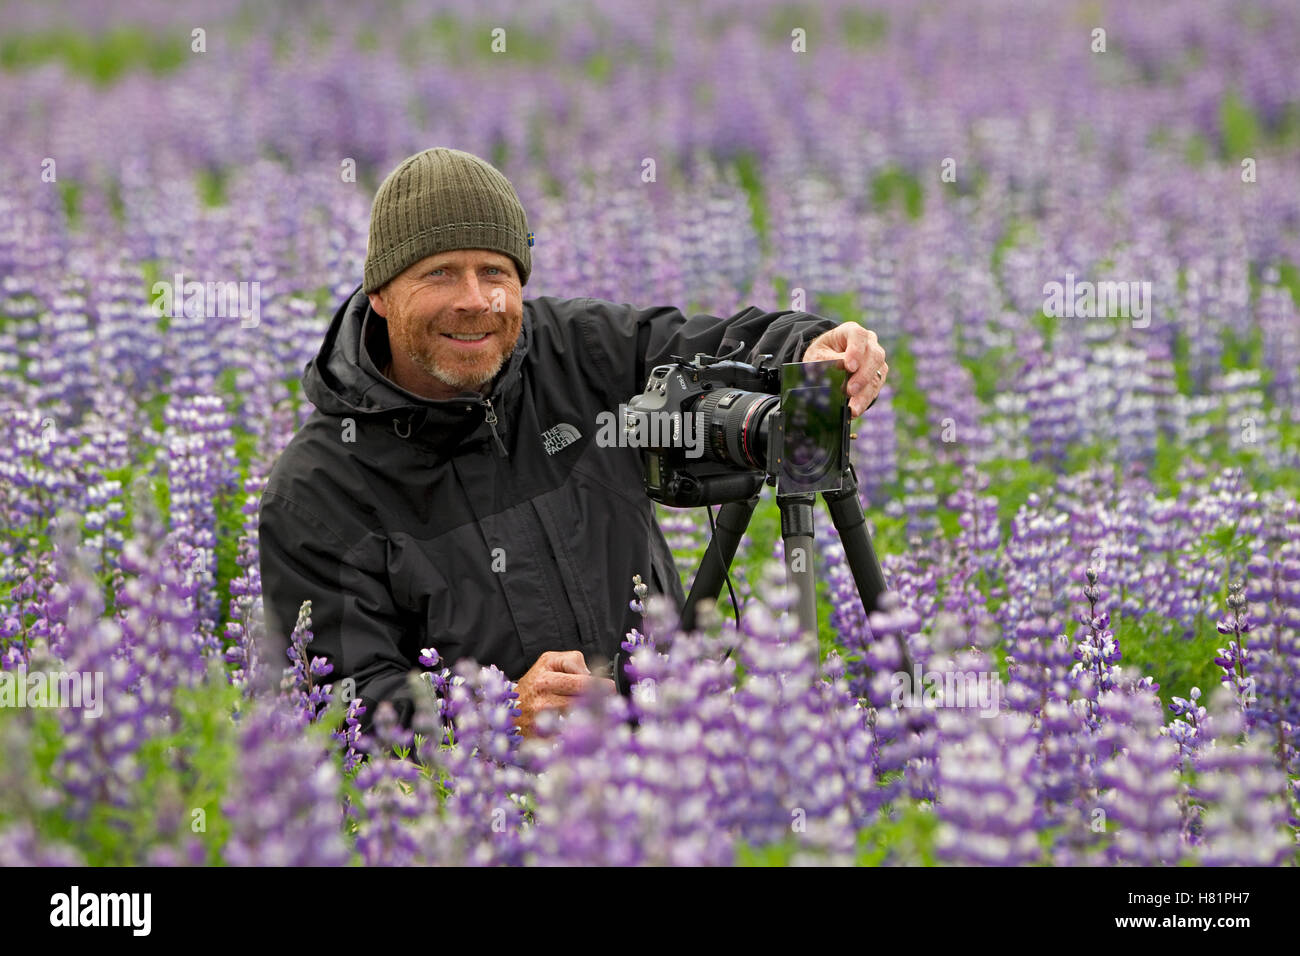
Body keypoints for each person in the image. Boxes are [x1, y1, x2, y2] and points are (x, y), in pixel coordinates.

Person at [258, 147, 889, 736]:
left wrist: (810, 349)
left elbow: (718, 347)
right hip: (486, 815)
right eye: (440, 274)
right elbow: (340, 702)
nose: (476, 301)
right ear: (381, 294)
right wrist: (493, 714)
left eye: (495, 271)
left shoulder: (578, 350)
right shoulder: (318, 488)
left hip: (675, 771)